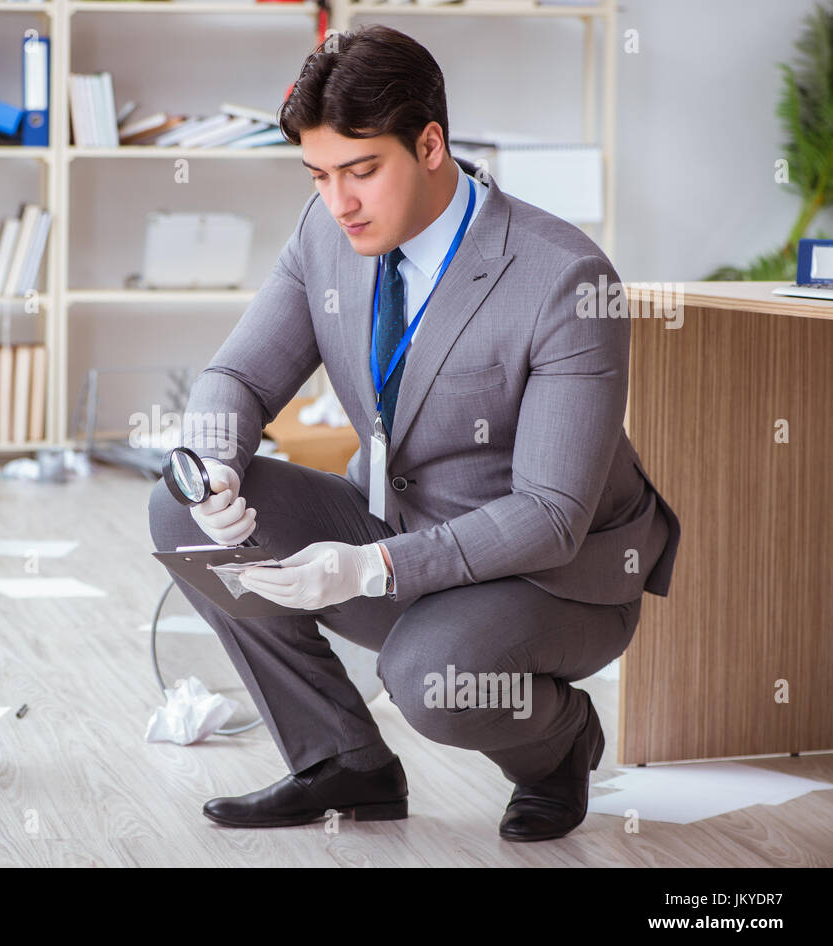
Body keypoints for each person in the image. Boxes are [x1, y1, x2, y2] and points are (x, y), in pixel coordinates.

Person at [147, 24, 681, 842]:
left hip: (550, 575)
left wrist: (370, 566)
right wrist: (212, 466)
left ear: (431, 144)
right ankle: (342, 762)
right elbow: (238, 379)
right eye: (319, 174)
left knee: (431, 680)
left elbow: (549, 513)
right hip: (402, 534)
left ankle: (558, 743)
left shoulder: (565, 278)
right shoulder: (326, 234)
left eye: (361, 171)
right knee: (178, 509)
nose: (339, 201)